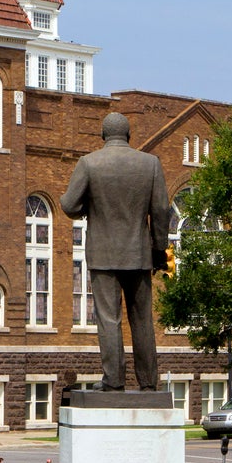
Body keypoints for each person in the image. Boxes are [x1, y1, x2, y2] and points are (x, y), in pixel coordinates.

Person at [59, 112, 170, 391]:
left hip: (104, 255)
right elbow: (160, 211)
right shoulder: (150, 164)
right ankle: (148, 383)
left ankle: (114, 381)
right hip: (139, 255)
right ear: (129, 135)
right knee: (142, 320)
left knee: (109, 318)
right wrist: (159, 249)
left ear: (103, 135)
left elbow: (69, 204)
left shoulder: (89, 163)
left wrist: (90, 207)